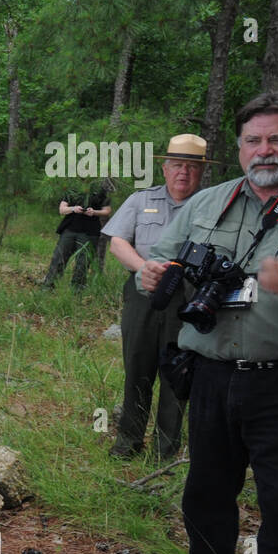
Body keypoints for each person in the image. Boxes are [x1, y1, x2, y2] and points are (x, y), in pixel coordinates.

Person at [140, 92, 278, 554]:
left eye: (277, 138)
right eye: (253, 140)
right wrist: (152, 274)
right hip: (209, 373)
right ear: (238, 148)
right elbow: (161, 258)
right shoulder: (207, 203)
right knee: (206, 492)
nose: (265, 151)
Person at [102, 134, 209, 459]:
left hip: (188, 298)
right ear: (164, 168)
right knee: (138, 365)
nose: (183, 173)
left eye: (192, 167)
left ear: (201, 172)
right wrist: (143, 267)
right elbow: (117, 241)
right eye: (177, 165)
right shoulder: (140, 200)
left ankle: (167, 449)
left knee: (177, 371)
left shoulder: (211, 206)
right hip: (143, 293)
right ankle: (128, 443)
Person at [42, 182, 111, 290]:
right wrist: (73, 209)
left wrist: (94, 212)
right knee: (59, 258)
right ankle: (48, 286)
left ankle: (77, 290)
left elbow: (106, 211)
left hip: (90, 232)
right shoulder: (74, 188)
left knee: (83, 262)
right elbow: (62, 209)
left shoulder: (100, 189)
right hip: (70, 229)